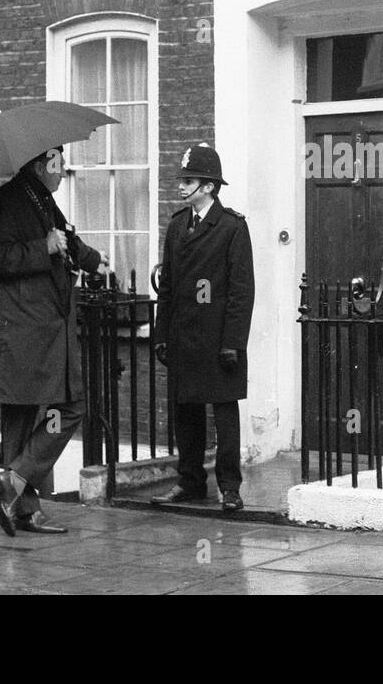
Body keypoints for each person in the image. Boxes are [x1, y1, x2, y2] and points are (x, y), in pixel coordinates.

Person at [0, 146, 106, 536]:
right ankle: (16, 480)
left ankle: (20, 501)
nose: (64, 170)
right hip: (21, 331)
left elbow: (66, 237)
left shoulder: (41, 200)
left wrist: (93, 260)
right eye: (59, 164)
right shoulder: (3, 204)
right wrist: (44, 247)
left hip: (42, 330)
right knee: (69, 406)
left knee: (23, 421)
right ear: (40, 164)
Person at [153, 143, 255, 513]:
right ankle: (190, 481)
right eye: (182, 180)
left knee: (224, 412)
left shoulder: (231, 227)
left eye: (190, 181)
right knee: (186, 412)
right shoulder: (178, 225)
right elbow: (167, 287)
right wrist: (161, 333)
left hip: (217, 339)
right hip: (184, 336)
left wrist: (233, 342)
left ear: (210, 186)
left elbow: (242, 292)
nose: (182, 187)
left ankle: (229, 487)